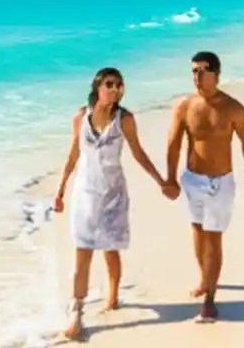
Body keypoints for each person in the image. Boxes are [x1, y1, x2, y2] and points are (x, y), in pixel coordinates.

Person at [52, 67, 174, 340]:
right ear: (97, 86)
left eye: (120, 85)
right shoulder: (80, 118)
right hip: (85, 194)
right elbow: (72, 155)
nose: (116, 89)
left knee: (110, 250)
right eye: (111, 84)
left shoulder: (125, 119)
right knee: (82, 253)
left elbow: (138, 153)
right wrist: (59, 191)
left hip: (113, 195)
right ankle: (77, 310)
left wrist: (161, 180)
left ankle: (112, 297)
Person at [164, 50, 244, 323]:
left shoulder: (233, 108)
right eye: (193, 71)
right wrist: (170, 178)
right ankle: (205, 279)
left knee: (214, 236)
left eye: (201, 71)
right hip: (192, 180)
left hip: (221, 182)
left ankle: (210, 297)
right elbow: (173, 144)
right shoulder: (184, 106)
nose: (196, 76)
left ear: (215, 74)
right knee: (197, 230)